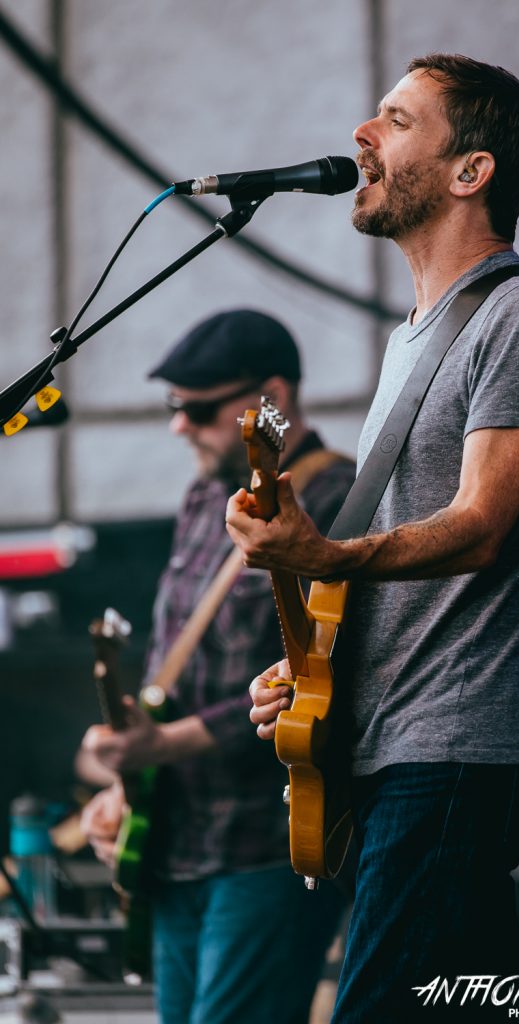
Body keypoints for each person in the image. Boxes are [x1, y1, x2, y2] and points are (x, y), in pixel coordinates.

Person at [226, 54, 519, 1022]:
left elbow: (478, 528)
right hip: (399, 742)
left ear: (469, 171)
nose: (360, 135)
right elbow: (391, 567)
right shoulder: (411, 339)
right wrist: (311, 672)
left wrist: (324, 556)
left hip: (458, 740)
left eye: (393, 119)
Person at [79, 310, 354, 1024]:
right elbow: (173, 673)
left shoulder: (336, 499)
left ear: (272, 395)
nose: (179, 427)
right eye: (174, 408)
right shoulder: (205, 498)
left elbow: (323, 675)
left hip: (266, 848)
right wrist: (127, 774)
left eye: (198, 408)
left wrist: (167, 743)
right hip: (174, 844)